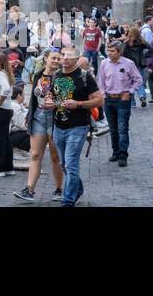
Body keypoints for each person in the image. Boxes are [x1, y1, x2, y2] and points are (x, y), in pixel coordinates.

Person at [51, 46, 103, 207]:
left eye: (69, 56)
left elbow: (99, 100)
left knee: (71, 164)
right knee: (65, 165)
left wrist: (78, 104)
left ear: (76, 58)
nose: (65, 58)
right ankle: (77, 189)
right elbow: (52, 98)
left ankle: (68, 200)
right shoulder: (55, 75)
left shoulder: (84, 76)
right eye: (63, 55)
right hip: (58, 125)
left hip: (78, 126)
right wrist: (48, 103)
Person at [96, 39, 142, 167]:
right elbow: (101, 81)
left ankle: (123, 154)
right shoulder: (104, 63)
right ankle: (115, 151)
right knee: (113, 128)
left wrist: (130, 92)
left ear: (119, 52)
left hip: (123, 99)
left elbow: (138, 80)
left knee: (122, 128)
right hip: (109, 99)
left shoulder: (128, 64)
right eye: (108, 50)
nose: (109, 53)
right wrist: (103, 94)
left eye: (112, 51)